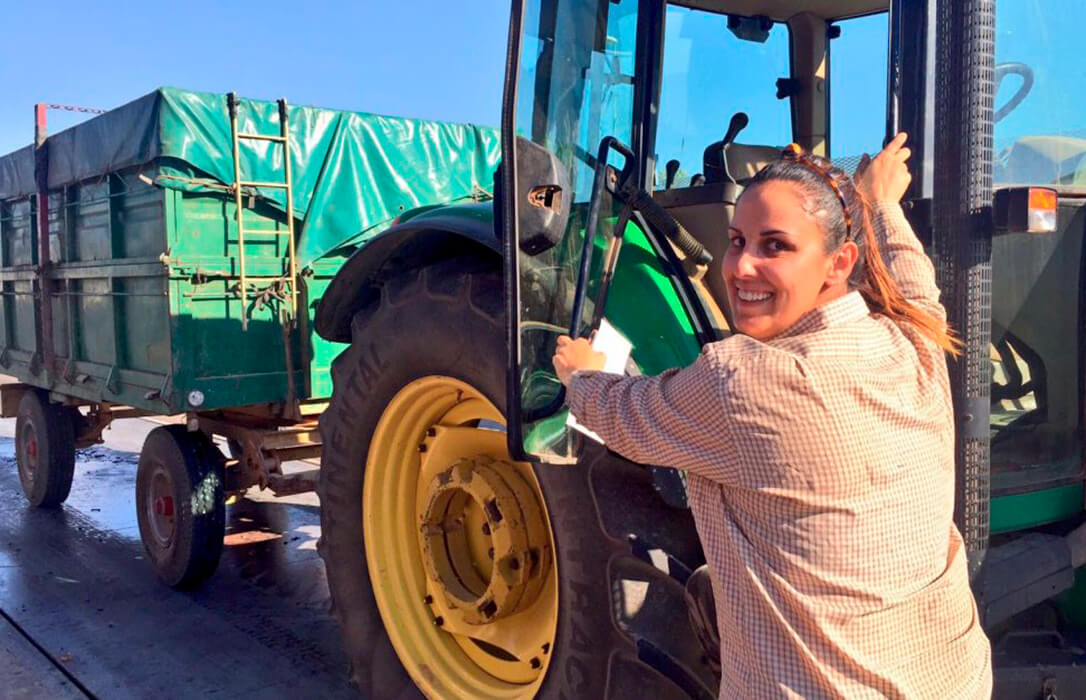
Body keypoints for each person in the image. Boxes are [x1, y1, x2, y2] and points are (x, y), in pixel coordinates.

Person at [552, 133, 992, 698]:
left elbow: (624, 414)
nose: (741, 267)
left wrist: (581, 376)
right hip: (955, 677)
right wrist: (880, 204)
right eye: (737, 241)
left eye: (775, 245)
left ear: (839, 264)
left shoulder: (744, 383)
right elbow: (917, 290)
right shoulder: (915, 346)